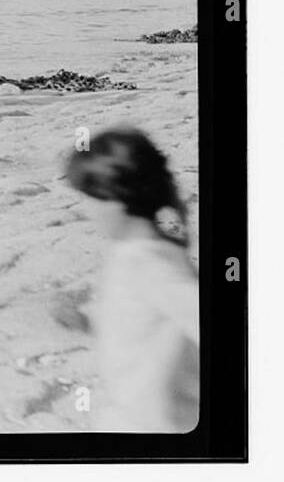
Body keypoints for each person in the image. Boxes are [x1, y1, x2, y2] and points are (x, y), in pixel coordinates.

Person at [63, 127, 199, 432]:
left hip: (154, 425)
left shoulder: (147, 262)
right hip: (133, 416)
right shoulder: (135, 254)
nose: (89, 212)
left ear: (122, 198)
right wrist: (89, 322)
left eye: (93, 200)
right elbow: (142, 321)